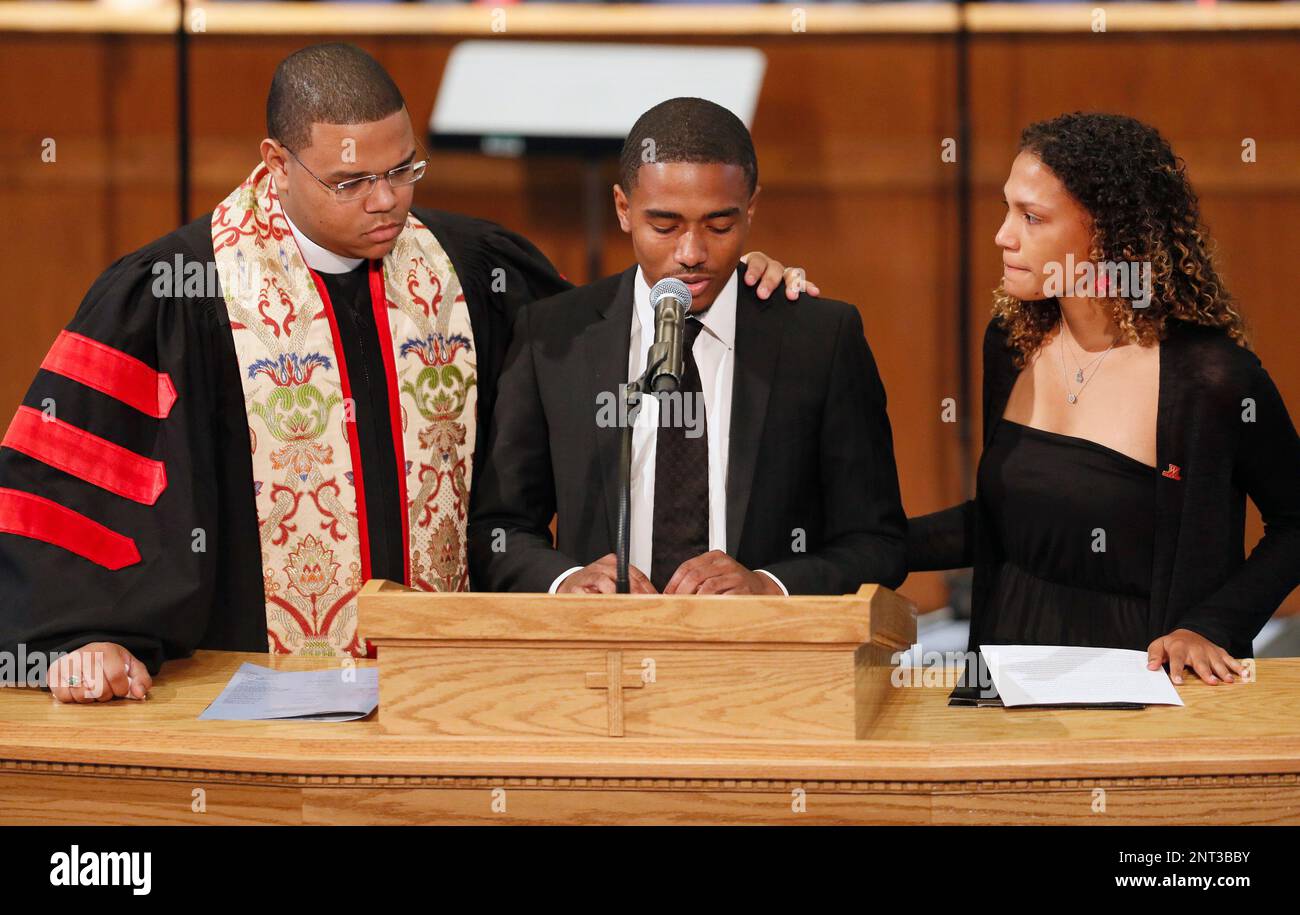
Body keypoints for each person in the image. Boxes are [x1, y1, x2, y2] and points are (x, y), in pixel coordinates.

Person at [0, 45, 810, 702]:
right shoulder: (180, 293)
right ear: (277, 163)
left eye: (403, 170)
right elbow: (84, 476)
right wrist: (84, 631)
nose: (387, 201)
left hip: (452, 692)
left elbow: (612, 350)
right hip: (246, 690)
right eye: (352, 182)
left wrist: (728, 288)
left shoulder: (470, 268)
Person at [907, 112, 1300, 686]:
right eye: (1007, 208)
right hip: (1002, 687)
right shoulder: (1011, 342)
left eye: (1032, 217)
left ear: (1111, 233)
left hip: (1142, 696)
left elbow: (1295, 519)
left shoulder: (1210, 377)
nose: (1003, 235)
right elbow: (1009, 522)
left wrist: (1211, 625)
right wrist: (847, 546)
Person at [469, 97, 906, 597]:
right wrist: (566, 581)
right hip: (602, 659)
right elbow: (497, 531)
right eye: (665, 226)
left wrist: (769, 587)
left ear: (752, 208)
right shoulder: (553, 336)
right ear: (622, 209)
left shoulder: (821, 338)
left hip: (765, 661)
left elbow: (879, 543)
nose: (692, 254)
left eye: (720, 226)